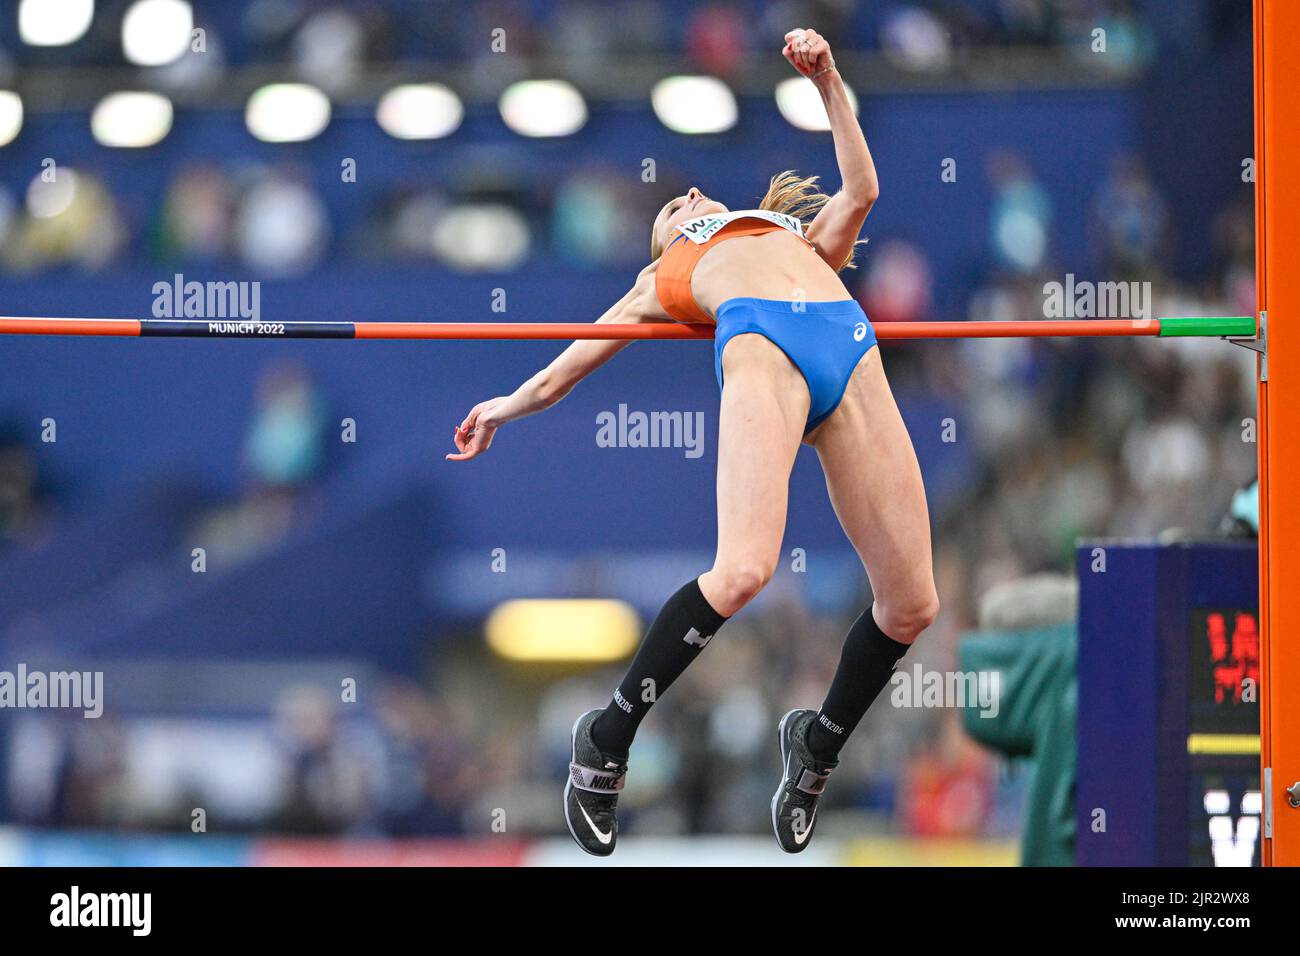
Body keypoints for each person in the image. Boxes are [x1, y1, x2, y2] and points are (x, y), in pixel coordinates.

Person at [448, 28, 938, 855]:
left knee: (914, 604)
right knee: (744, 570)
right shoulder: (659, 278)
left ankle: (816, 747)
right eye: (673, 207)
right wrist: (505, 405)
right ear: (664, 238)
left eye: (692, 195)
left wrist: (828, 82)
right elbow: (567, 369)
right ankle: (606, 741)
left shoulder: (799, 240)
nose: (692, 197)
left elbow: (862, 187)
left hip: (852, 359)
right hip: (766, 358)